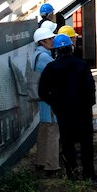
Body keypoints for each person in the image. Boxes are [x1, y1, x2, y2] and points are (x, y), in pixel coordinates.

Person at [38, 33, 97, 181]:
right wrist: (88, 104)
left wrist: (55, 103)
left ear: (57, 50)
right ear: (70, 48)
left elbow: (42, 91)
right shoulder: (82, 65)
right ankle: (89, 173)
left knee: (67, 142)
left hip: (63, 112)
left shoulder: (50, 68)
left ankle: (72, 173)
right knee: (86, 143)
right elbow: (90, 88)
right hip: (82, 111)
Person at [30, 27, 61, 175]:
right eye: (50, 39)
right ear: (43, 41)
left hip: (42, 99)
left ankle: (41, 161)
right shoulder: (44, 57)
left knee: (43, 130)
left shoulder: (37, 55)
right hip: (49, 99)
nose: (53, 41)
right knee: (52, 131)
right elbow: (57, 75)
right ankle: (52, 165)